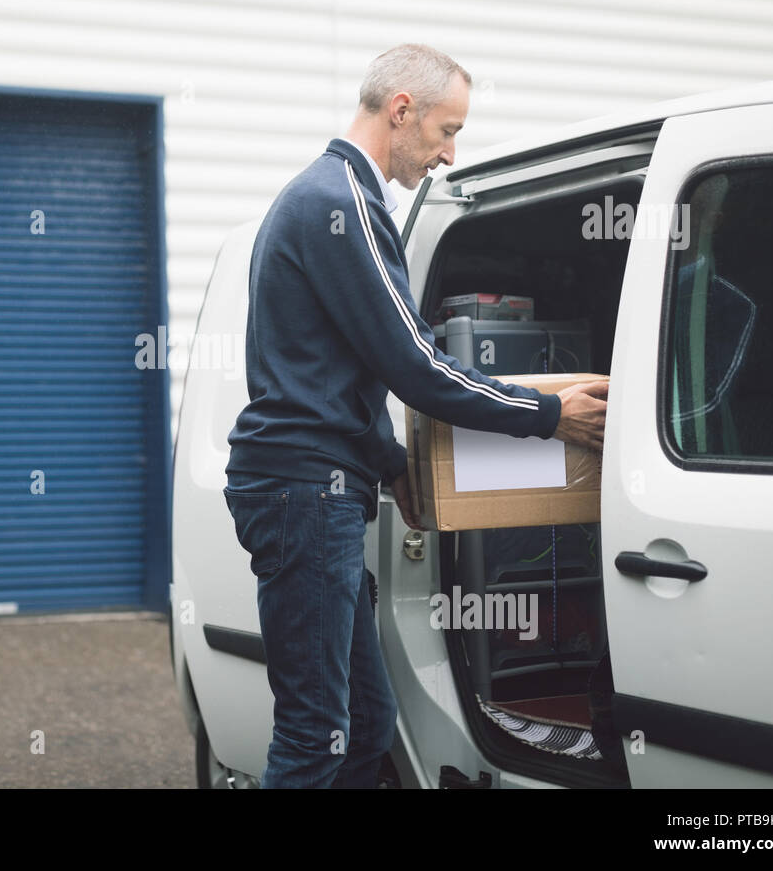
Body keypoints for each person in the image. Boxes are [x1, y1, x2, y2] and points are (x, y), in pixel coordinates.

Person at [222, 43, 609, 788]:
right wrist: (547, 413)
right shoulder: (341, 204)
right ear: (402, 110)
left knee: (365, 724)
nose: (448, 153)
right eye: (445, 131)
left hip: (316, 486)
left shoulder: (327, 200)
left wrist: (394, 464)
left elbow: (339, 371)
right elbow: (417, 365)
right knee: (315, 737)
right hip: (303, 494)